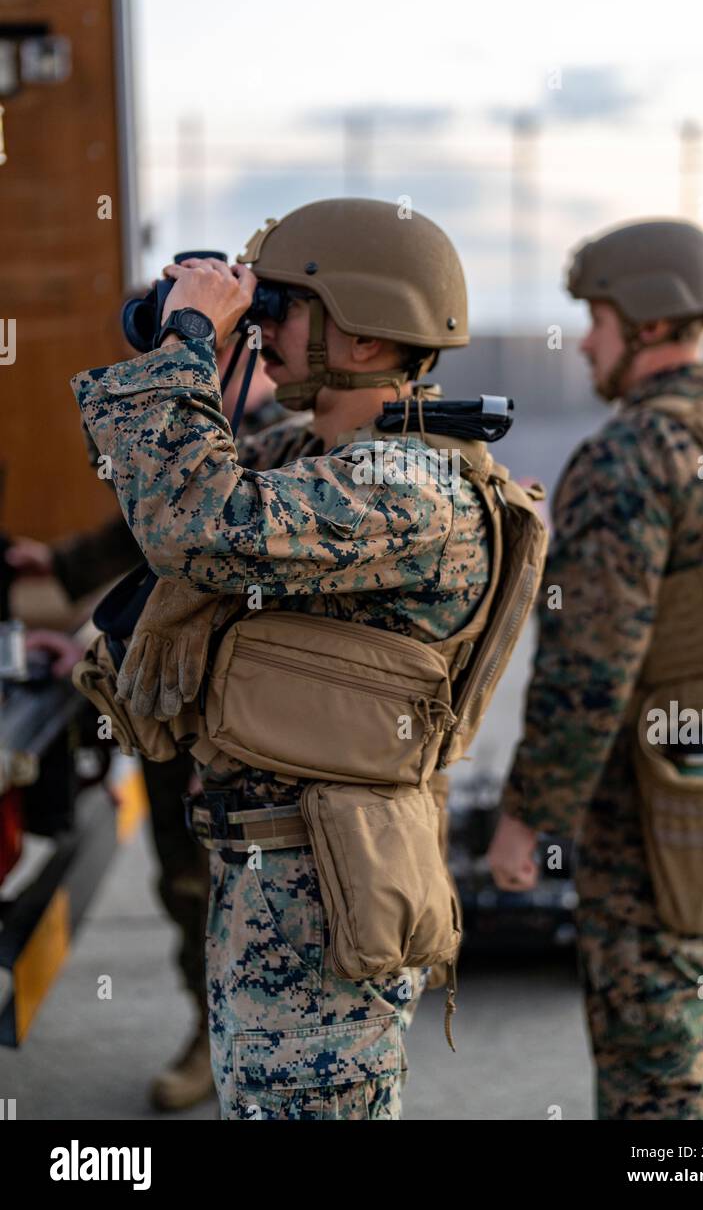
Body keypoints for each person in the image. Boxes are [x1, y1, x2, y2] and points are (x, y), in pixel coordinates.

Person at [70, 199, 542, 1121]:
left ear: (363, 338)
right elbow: (160, 479)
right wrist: (195, 343)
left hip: (324, 902)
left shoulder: (412, 489)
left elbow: (195, 523)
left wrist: (193, 339)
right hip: (272, 887)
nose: (266, 324)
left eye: (282, 303)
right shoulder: (323, 457)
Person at [488, 218, 703, 1120]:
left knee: (652, 1056)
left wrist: (530, 817)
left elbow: (588, 667)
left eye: (596, 318)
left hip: (660, 788)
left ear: (648, 322)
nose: (585, 341)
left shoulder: (632, 456)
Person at [4, 349, 289, 1113]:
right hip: (173, 703)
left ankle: (261, 1048)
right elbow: (150, 516)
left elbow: (223, 561)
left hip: (239, 714)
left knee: (256, 896)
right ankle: (212, 1032)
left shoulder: (285, 436)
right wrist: (64, 567)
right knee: (186, 881)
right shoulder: (202, 425)